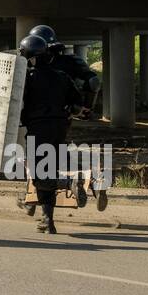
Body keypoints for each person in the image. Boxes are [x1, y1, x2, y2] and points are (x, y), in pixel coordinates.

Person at [30, 24, 107, 210]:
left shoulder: (40, 66)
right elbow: (93, 82)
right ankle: (94, 179)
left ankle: (37, 197)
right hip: (66, 115)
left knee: (38, 158)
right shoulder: (71, 61)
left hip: (41, 117)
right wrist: (86, 109)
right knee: (53, 156)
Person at [17, 34, 79, 234]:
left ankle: (69, 183)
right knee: (48, 171)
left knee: (39, 175)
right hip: (60, 128)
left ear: (31, 58)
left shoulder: (28, 79)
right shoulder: (62, 76)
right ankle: (47, 220)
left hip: (39, 129)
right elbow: (77, 104)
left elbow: (15, 103)